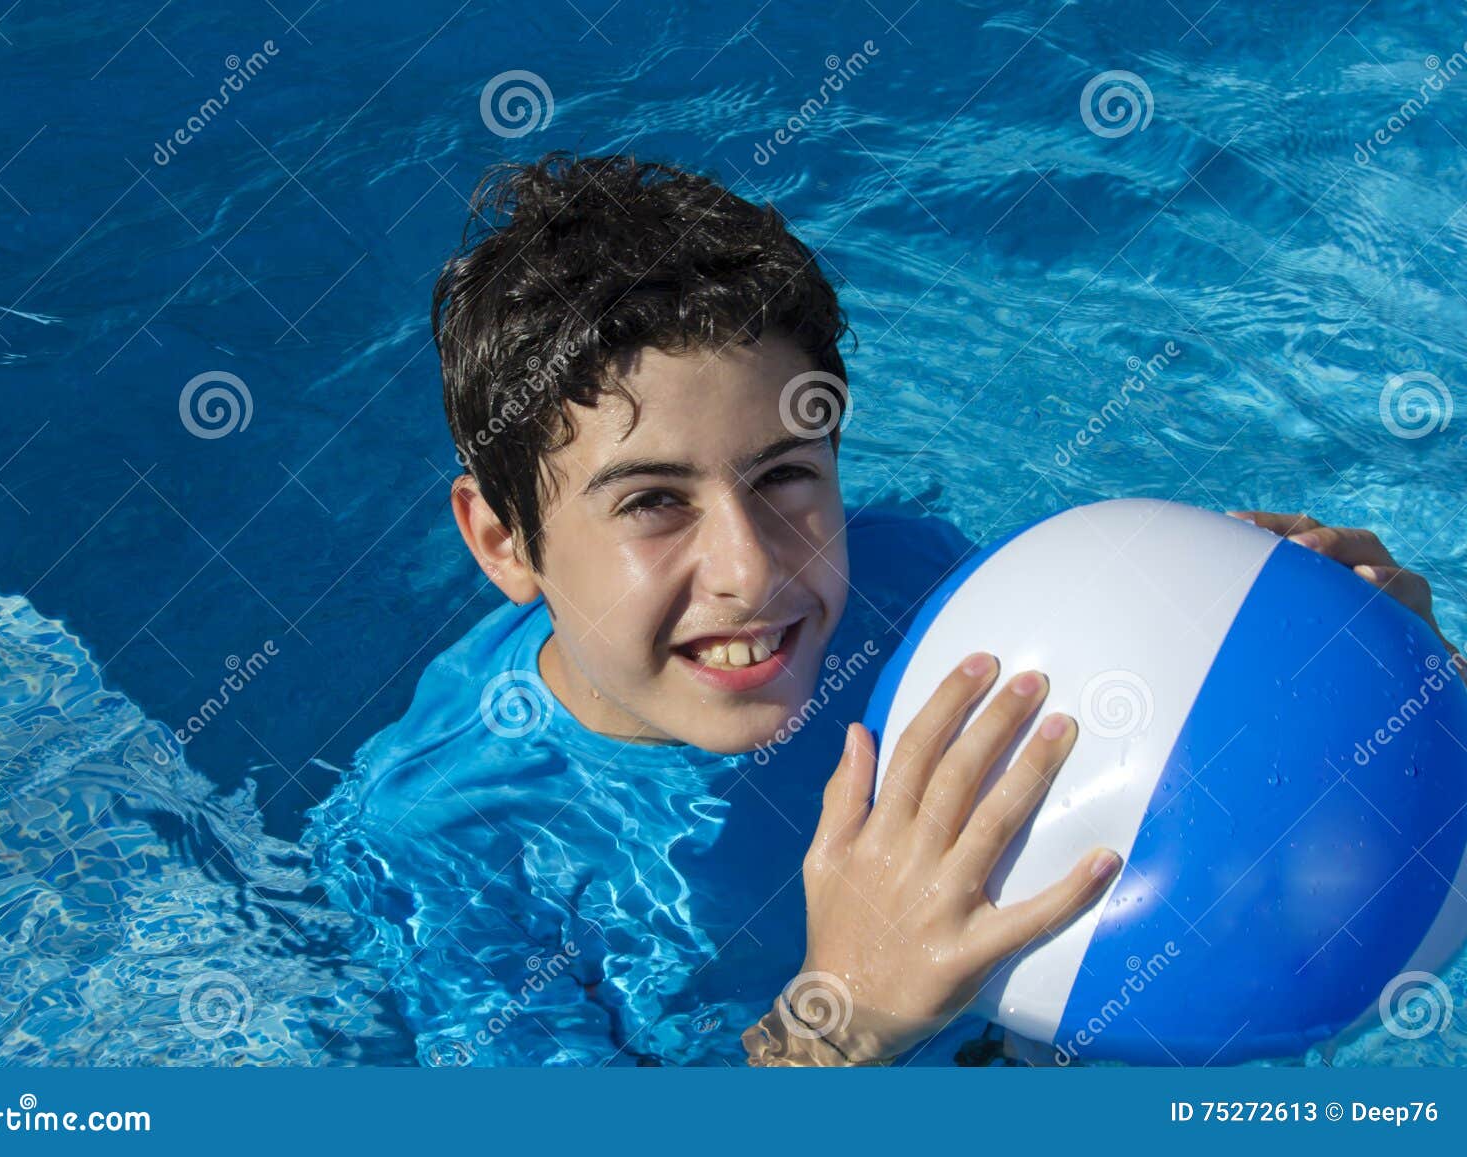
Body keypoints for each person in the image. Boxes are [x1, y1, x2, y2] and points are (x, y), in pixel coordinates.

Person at [309, 152, 1460, 1066]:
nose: (751, 571)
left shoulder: (920, 586)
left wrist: (1396, 682)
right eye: (653, 500)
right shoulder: (442, 851)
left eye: (785, 477)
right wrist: (838, 1025)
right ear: (503, 540)